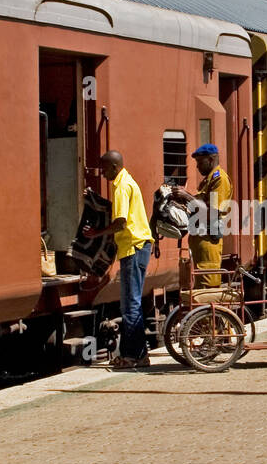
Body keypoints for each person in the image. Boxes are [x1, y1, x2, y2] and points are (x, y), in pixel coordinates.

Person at [81, 151, 153, 368]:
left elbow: (120, 222)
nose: (103, 174)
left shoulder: (121, 186)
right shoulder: (128, 181)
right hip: (137, 247)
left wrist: (96, 233)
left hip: (133, 248)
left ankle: (133, 356)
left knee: (130, 305)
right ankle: (140, 355)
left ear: (114, 166)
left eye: (104, 169)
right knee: (132, 304)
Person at [170, 144, 233, 288]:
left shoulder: (220, 179)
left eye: (200, 162)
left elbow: (213, 211)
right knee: (200, 285)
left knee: (208, 285)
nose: (197, 167)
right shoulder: (209, 180)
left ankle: (211, 311)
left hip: (208, 240)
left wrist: (187, 196)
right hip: (200, 239)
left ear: (211, 159)